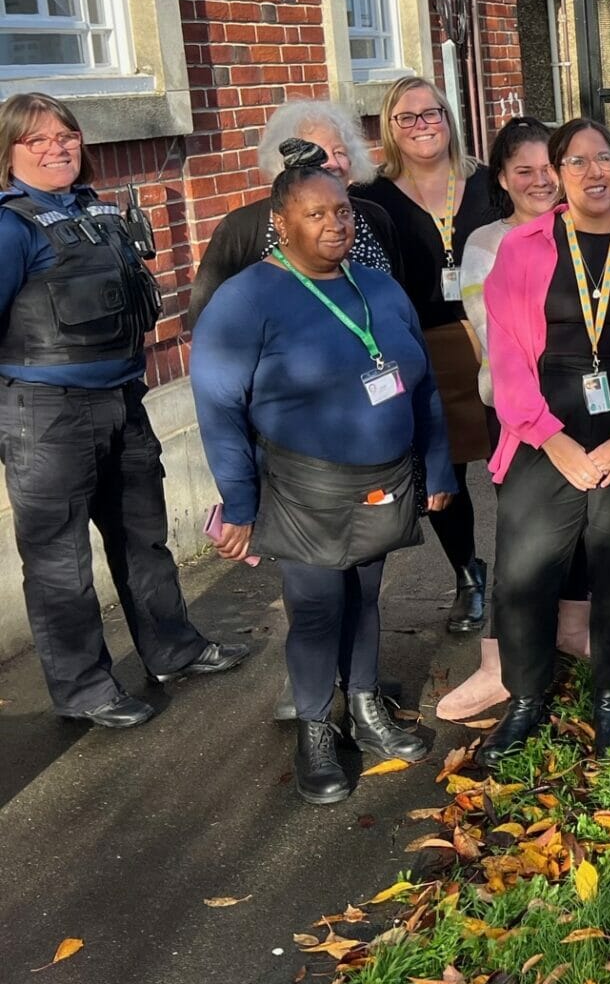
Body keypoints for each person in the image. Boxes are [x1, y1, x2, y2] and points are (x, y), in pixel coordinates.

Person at [192, 160, 451, 803]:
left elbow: (422, 386)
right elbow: (218, 408)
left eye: (342, 212)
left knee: (365, 598)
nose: (335, 224)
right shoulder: (247, 299)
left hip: (383, 480)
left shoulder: (379, 289)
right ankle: (314, 724)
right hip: (302, 487)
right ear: (280, 224)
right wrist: (240, 504)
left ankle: (364, 708)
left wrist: (437, 465)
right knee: (315, 610)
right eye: (316, 214)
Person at [0, 93, 247, 727]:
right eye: (38, 140)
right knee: (60, 562)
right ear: (9, 153)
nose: (58, 147)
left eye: (67, 135)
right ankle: (83, 690)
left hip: (122, 401)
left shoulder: (95, 211)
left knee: (144, 538)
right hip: (47, 412)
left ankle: (174, 649)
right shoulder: (9, 227)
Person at [475, 120, 610, 766]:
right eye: (577, 162)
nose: (594, 173)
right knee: (521, 572)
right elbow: (508, 357)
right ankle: (525, 699)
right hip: (545, 428)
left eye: (606, 158)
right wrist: (551, 440)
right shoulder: (522, 250)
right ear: (559, 174)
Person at [436, 117, 588, 722]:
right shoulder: (487, 244)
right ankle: (498, 666)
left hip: (589, 411)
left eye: (550, 168)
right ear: (502, 177)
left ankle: (573, 628)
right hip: (521, 417)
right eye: (523, 171)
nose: (540, 182)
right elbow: (497, 333)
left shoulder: (592, 230)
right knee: (521, 541)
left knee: (585, 527)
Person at [359, 77, 502, 634]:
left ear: (450, 117)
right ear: (389, 129)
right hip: (424, 344)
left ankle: (526, 567)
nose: (423, 125)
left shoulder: (489, 183)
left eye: (432, 113)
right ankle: (468, 572)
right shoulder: (371, 197)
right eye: (407, 117)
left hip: (494, 335)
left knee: (512, 458)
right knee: (444, 470)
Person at [187, 98, 404, 328]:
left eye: (339, 152)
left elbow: (399, 297)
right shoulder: (241, 229)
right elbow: (206, 320)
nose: (332, 163)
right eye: (316, 152)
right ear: (285, 162)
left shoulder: (374, 217)